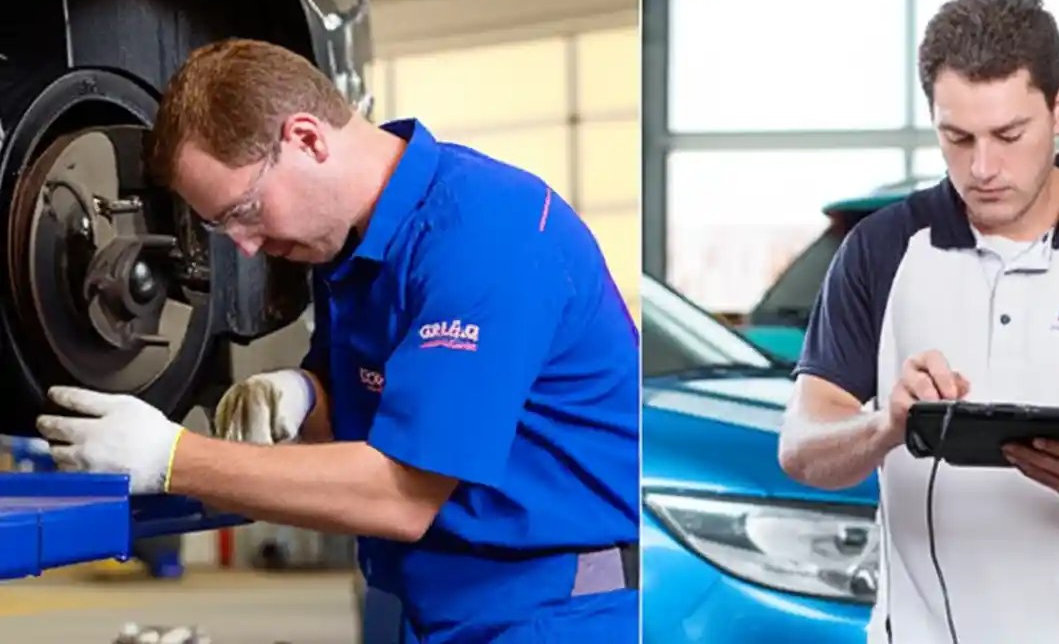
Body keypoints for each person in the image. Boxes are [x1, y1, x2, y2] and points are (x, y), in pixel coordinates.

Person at [35, 38, 640, 643]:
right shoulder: (348, 246)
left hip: (554, 611)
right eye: (223, 227)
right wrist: (304, 394)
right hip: (430, 602)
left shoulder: (487, 237)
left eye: (245, 210)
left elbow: (401, 495)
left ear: (307, 139)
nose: (245, 245)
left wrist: (172, 458)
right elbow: (368, 420)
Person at [777, 0, 1059, 644]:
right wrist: (886, 425)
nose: (983, 168)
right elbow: (800, 448)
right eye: (957, 138)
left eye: (1009, 135)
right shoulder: (879, 252)